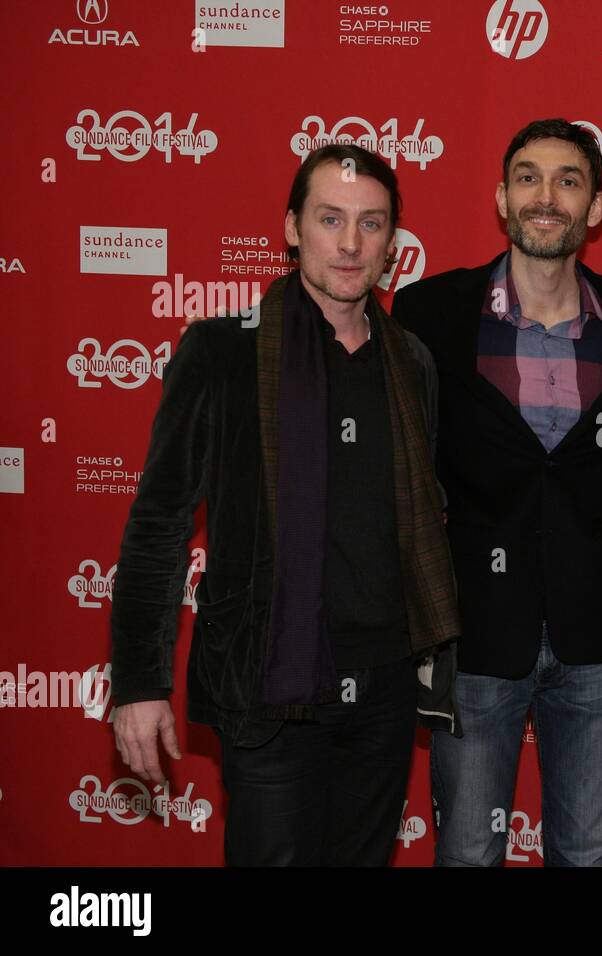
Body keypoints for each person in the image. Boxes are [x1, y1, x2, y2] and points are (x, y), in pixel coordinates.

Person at [110, 143, 461, 866]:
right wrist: (139, 684)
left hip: (386, 692)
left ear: (392, 241)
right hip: (271, 691)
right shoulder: (221, 352)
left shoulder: (413, 362)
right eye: (331, 218)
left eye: (371, 223)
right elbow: (157, 527)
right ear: (293, 227)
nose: (350, 242)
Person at [392, 119, 602, 867]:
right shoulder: (429, 314)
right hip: (477, 636)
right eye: (529, 178)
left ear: (597, 208)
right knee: (470, 850)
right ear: (502, 198)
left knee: (585, 851)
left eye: (569, 180)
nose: (547, 197)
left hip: (598, 643)